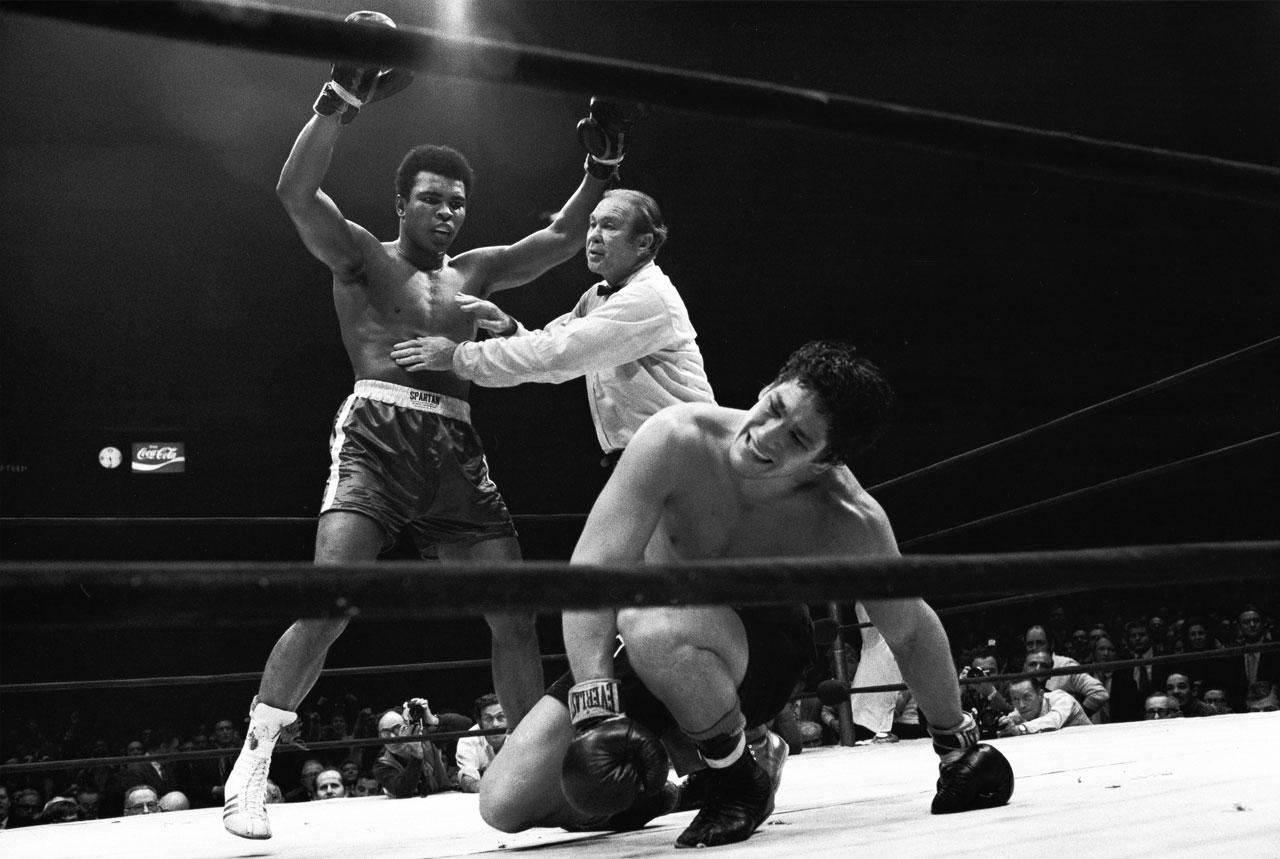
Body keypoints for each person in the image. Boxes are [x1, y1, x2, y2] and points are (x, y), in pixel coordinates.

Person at [222, 11, 624, 841]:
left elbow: (554, 239)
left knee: (512, 611)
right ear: (401, 202)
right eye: (432, 199)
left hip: (454, 446)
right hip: (376, 433)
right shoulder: (363, 258)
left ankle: (531, 776)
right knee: (331, 600)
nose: (447, 212)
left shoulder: (474, 271)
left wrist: (602, 166)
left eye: (458, 202)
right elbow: (295, 194)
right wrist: (336, 102)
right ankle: (252, 764)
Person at [478, 341, 1013, 849]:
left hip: (758, 649)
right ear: (768, 386)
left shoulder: (849, 520)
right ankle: (672, 791)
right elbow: (592, 575)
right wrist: (597, 710)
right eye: (775, 407)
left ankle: (739, 776)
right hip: (645, 642)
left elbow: (909, 628)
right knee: (505, 803)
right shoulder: (674, 439)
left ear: (826, 460)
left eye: (799, 439)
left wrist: (955, 744)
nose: (767, 436)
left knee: (649, 620)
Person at [390, 186, 715, 476]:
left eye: (610, 226)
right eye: (592, 224)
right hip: (651, 459)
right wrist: (508, 327)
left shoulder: (647, 297)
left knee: (609, 546)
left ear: (644, 243)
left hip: (688, 458)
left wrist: (457, 356)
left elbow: (557, 357)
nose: (594, 235)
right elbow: (548, 343)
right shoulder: (599, 294)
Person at [371, 705, 454, 798]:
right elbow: (402, 791)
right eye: (385, 732)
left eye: (397, 728)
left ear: (408, 727)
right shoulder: (381, 764)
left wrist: (433, 719)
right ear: (380, 736)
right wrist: (416, 755)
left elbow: (466, 724)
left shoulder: (426, 739)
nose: (392, 737)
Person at [997, 678, 1091, 736]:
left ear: (1040, 695)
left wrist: (1020, 729)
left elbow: (1053, 720)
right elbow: (1011, 720)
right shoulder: (1019, 713)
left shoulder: (1062, 698)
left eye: (1027, 697)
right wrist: (1005, 727)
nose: (1021, 705)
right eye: (1016, 699)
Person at [455, 693, 508, 793]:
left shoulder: (520, 735)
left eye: (501, 717)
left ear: (509, 717)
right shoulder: (468, 739)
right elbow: (468, 782)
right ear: (480, 722)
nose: (495, 724)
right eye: (488, 719)